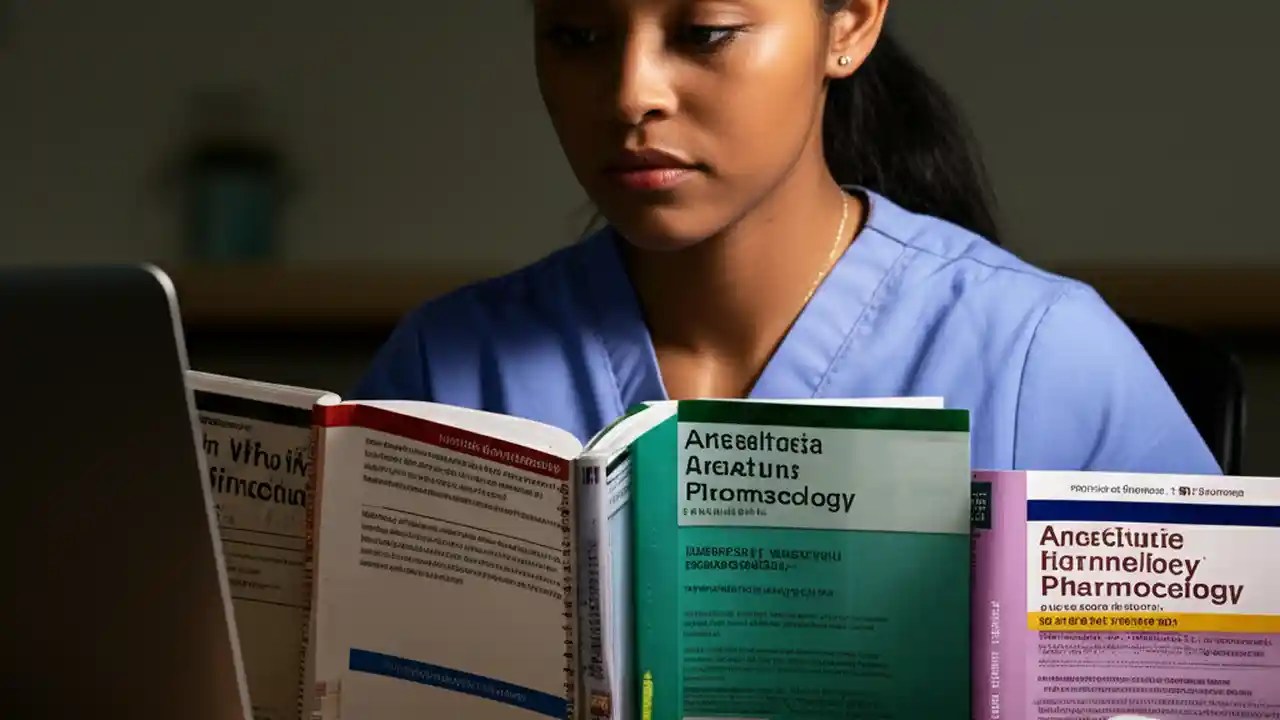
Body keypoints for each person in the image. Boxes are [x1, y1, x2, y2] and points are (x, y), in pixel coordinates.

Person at [352, 0, 1221, 475]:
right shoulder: (447, 369)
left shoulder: (1043, 356)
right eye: (577, 38)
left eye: (705, 35)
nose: (629, 94)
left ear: (848, 26)